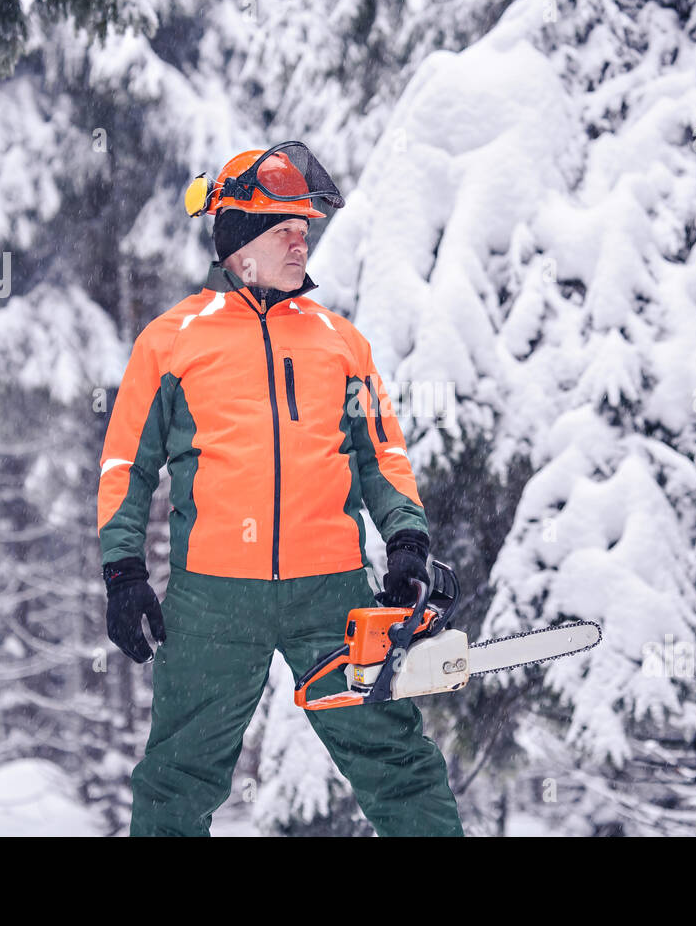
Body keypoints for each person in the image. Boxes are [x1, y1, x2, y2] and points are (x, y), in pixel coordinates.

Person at [96, 142, 464, 837]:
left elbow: (379, 455)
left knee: (397, 761)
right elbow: (126, 468)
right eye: (283, 230)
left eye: (304, 230)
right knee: (176, 781)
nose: (301, 243)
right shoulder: (170, 343)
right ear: (238, 243)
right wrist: (122, 572)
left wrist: (408, 541)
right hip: (211, 597)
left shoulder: (339, 342)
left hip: (332, 592)